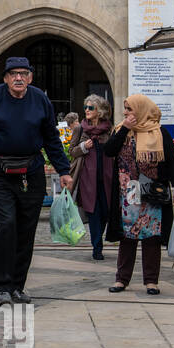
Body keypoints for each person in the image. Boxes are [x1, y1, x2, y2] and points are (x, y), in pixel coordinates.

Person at [0, 57, 73, 306]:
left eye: (23, 73)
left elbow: (51, 137)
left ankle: (18, 285)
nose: (18, 78)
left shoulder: (40, 100)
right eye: (13, 74)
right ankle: (2, 285)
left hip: (31, 172)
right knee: (7, 224)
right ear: (5, 77)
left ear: (30, 77)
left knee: (27, 229)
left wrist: (64, 169)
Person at [103, 94, 174, 295]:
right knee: (127, 237)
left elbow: (172, 163)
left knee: (152, 237)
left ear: (141, 110)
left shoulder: (159, 132)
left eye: (129, 109)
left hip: (152, 194)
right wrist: (125, 129)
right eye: (125, 109)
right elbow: (109, 150)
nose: (126, 113)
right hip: (127, 194)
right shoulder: (122, 130)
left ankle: (151, 281)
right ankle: (122, 279)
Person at [69, 94, 115, 261]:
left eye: (91, 108)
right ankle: (97, 247)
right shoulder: (80, 129)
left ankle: (98, 240)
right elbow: (71, 151)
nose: (87, 110)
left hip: (107, 177)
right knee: (93, 212)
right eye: (86, 107)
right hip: (88, 178)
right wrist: (83, 147)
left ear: (100, 111)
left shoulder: (109, 129)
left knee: (105, 212)